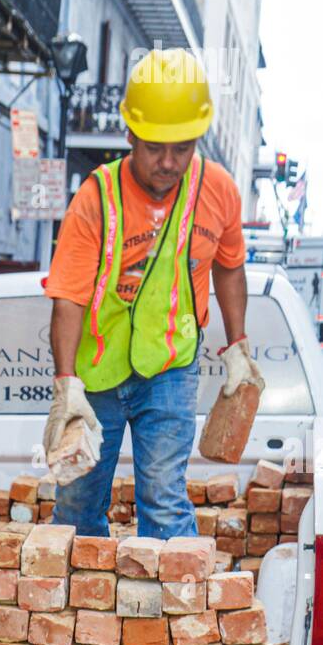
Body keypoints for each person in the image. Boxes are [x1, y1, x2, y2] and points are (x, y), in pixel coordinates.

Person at [43, 47, 264, 538]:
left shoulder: (219, 190)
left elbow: (229, 267)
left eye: (181, 148)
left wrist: (238, 346)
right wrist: (66, 387)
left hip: (170, 366)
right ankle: (82, 610)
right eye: (154, 148)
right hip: (97, 370)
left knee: (164, 500)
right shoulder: (96, 198)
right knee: (78, 505)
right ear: (130, 136)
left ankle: (169, 611)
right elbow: (69, 297)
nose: (168, 162)